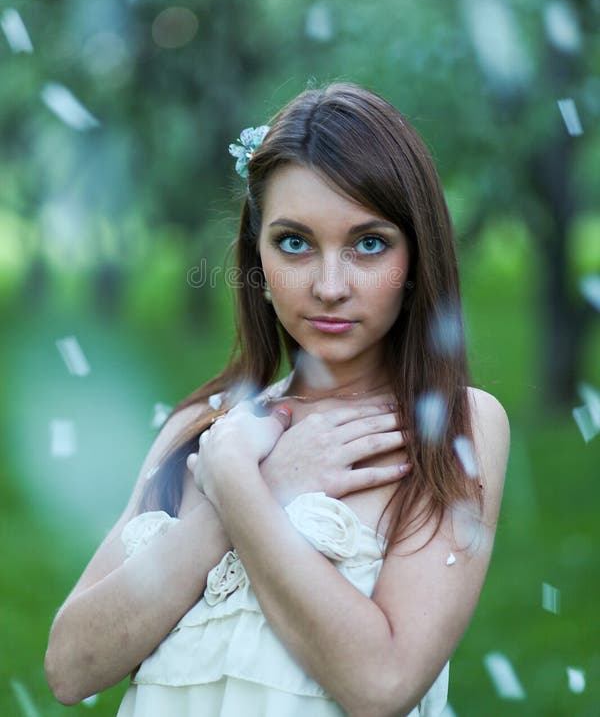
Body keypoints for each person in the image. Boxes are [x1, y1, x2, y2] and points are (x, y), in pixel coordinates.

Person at [45, 81, 510, 717]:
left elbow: (381, 687)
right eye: (294, 242)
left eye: (369, 243)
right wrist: (225, 507)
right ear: (257, 259)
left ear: (417, 255)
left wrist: (238, 483)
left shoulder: (452, 426)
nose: (328, 286)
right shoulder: (200, 429)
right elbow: (71, 669)